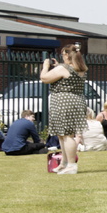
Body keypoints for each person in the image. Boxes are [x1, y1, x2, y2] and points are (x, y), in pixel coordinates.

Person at [40, 44, 89, 174]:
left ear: (67, 55)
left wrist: (45, 67)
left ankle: (71, 165)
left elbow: (44, 78)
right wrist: (58, 67)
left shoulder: (63, 68)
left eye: (63, 55)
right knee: (63, 134)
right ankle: (64, 162)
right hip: (76, 101)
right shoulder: (81, 69)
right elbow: (66, 75)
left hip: (63, 103)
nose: (62, 57)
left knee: (66, 135)